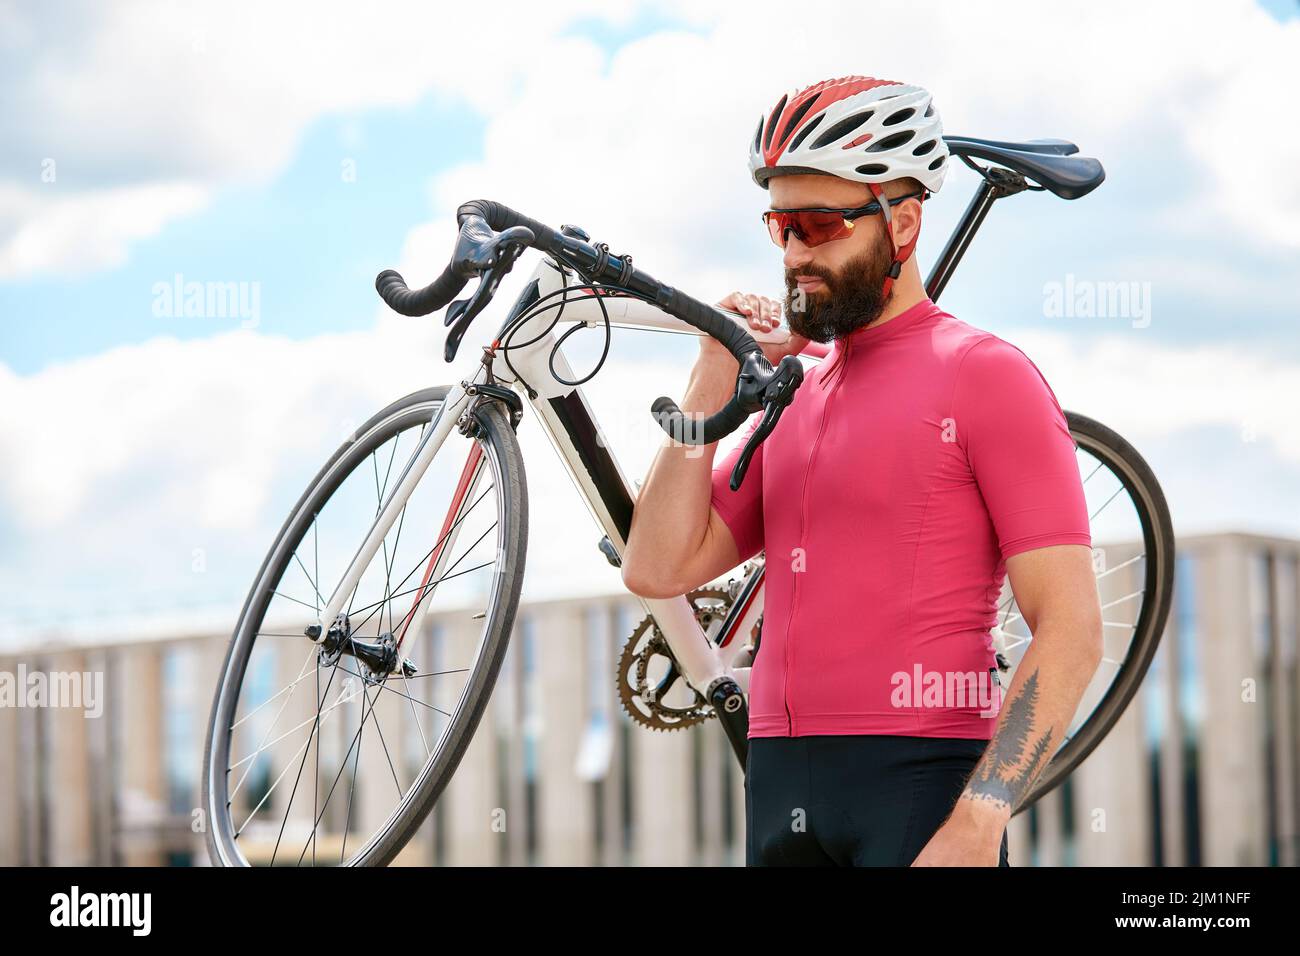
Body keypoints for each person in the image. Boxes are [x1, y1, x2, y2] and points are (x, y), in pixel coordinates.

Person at [620, 75, 1103, 866]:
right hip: (779, 782)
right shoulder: (795, 399)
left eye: (818, 223)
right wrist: (710, 373)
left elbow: (1072, 628)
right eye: (780, 225)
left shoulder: (986, 375)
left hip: (920, 782)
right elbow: (656, 564)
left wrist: (982, 817)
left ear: (904, 224)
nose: (795, 253)